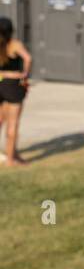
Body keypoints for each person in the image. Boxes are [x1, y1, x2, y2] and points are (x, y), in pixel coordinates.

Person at [0, 16, 32, 166]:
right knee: (13, 123)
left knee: (1, 120)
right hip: (12, 84)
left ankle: (11, 152)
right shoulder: (14, 44)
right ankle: (10, 159)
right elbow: (28, 58)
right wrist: (25, 74)